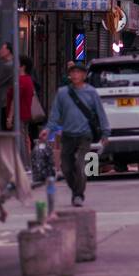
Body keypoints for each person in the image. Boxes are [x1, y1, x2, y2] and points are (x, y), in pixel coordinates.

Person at [40, 61, 110, 207]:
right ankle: (75, 190)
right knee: (66, 168)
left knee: (80, 164)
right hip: (68, 135)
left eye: (78, 72)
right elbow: (55, 114)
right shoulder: (62, 93)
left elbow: (100, 113)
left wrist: (105, 133)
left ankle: (78, 195)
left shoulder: (91, 92)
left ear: (84, 76)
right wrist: (48, 129)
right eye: (73, 72)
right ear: (69, 75)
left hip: (84, 135)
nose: (75, 75)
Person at [5, 54, 37, 157]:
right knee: (24, 139)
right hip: (25, 114)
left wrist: (10, 117)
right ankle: (25, 163)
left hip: (20, 115)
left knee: (20, 140)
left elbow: (15, 99)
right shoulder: (28, 80)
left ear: (22, 66)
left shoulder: (21, 80)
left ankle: (23, 163)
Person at [0, 42, 15, 129]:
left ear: (9, 51)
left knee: (6, 129)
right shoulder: (15, 63)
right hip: (11, 101)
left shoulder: (8, 66)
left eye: (3, 49)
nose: (0, 51)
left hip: (7, 102)